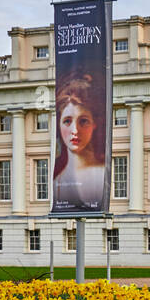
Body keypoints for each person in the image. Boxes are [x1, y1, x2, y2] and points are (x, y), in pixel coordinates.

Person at [52, 73, 107, 210]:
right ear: (59, 124)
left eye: (83, 121)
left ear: (94, 124)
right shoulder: (57, 182)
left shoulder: (104, 174)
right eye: (67, 121)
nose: (74, 130)